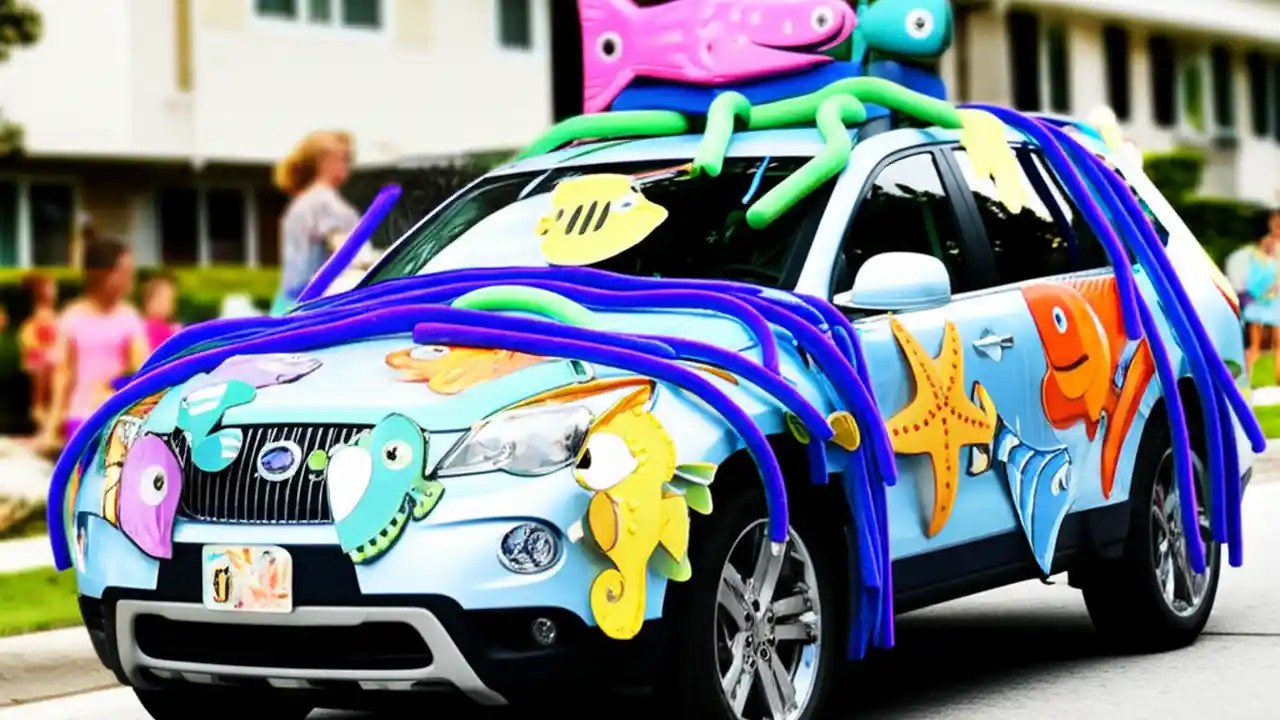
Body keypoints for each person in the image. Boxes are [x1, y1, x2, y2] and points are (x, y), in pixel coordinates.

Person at [40, 239, 148, 450]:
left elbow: (142, 368)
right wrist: (50, 429)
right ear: (104, 274)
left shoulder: (129, 317)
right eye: (124, 272)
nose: (130, 279)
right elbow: (62, 375)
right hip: (80, 420)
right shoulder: (73, 317)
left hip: (117, 419)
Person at [271, 130, 366, 314]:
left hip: (285, 304)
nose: (348, 165)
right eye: (345, 158)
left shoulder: (301, 202)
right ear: (324, 160)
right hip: (313, 308)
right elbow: (349, 251)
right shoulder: (324, 203)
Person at [1242, 211, 1280, 386]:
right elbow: (1253, 283)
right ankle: (1245, 378)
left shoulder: (1271, 255)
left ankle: (1278, 379)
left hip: (1274, 305)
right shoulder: (1262, 254)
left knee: (1277, 344)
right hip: (1261, 305)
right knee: (1256, 346)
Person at [17, 272, 59, 427]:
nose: (54, 291)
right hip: (42, 360)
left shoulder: (51, 313)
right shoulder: (38, 315)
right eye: (50, 287)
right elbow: (30, 338)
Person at [141, 272, 182, 354]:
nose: (166, 304)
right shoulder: (143, 328)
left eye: (170, 299)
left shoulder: (172, 329)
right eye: (162, 298)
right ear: (148, 300)